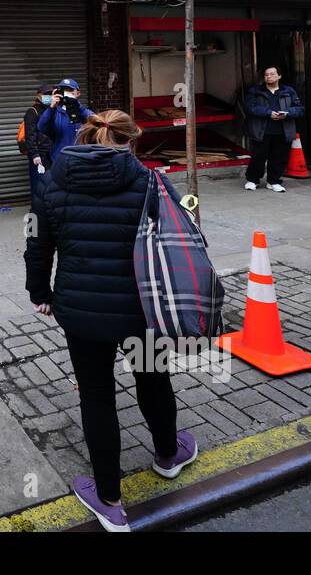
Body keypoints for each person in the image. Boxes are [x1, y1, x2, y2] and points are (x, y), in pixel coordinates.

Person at [24, 110, 197, 532]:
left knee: (97, 396)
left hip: (80, 311)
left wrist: (40, 294)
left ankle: (109, 500)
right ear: (130, 141)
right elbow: (182, 233)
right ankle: (167, 456)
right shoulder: (151, 182)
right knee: (153, 378)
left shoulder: (52, 184)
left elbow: (35, 243)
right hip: (142, 307)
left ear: (85, 138)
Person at [242, 66, 304, 192]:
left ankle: (274, 181)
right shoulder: (256, 91)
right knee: (258, 156)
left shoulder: (288, 91)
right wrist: (268, 112)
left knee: (279, 157)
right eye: (266, 75)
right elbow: (250, 107)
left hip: (283, 130)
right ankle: (252, 180)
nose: (268, 77)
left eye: (272, 74)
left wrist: (286, 113)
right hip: (262, 130)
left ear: (279, 76)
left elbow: (299, 109)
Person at [36, 78, 95, 164]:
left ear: (78, 93)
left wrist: (77, 106)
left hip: (81, 161)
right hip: (60, 161)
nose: (67, 92)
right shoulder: (55, 112)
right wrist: (52, 107)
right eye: (64, 90)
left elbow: (97, 121)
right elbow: (41, 127)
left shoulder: (82, 111)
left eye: (70, 90)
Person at [21, 82, 55, 201]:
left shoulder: (53, 110)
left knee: (51, 183)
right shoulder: (32, 112)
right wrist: (35, 155)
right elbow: (30, 135)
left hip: (51, 153)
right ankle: (37, 209)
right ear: (39, 96)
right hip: (39, 155)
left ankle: (48, 208)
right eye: (46, 94)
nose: (49, 96)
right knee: (38, 184)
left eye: (51, 94)